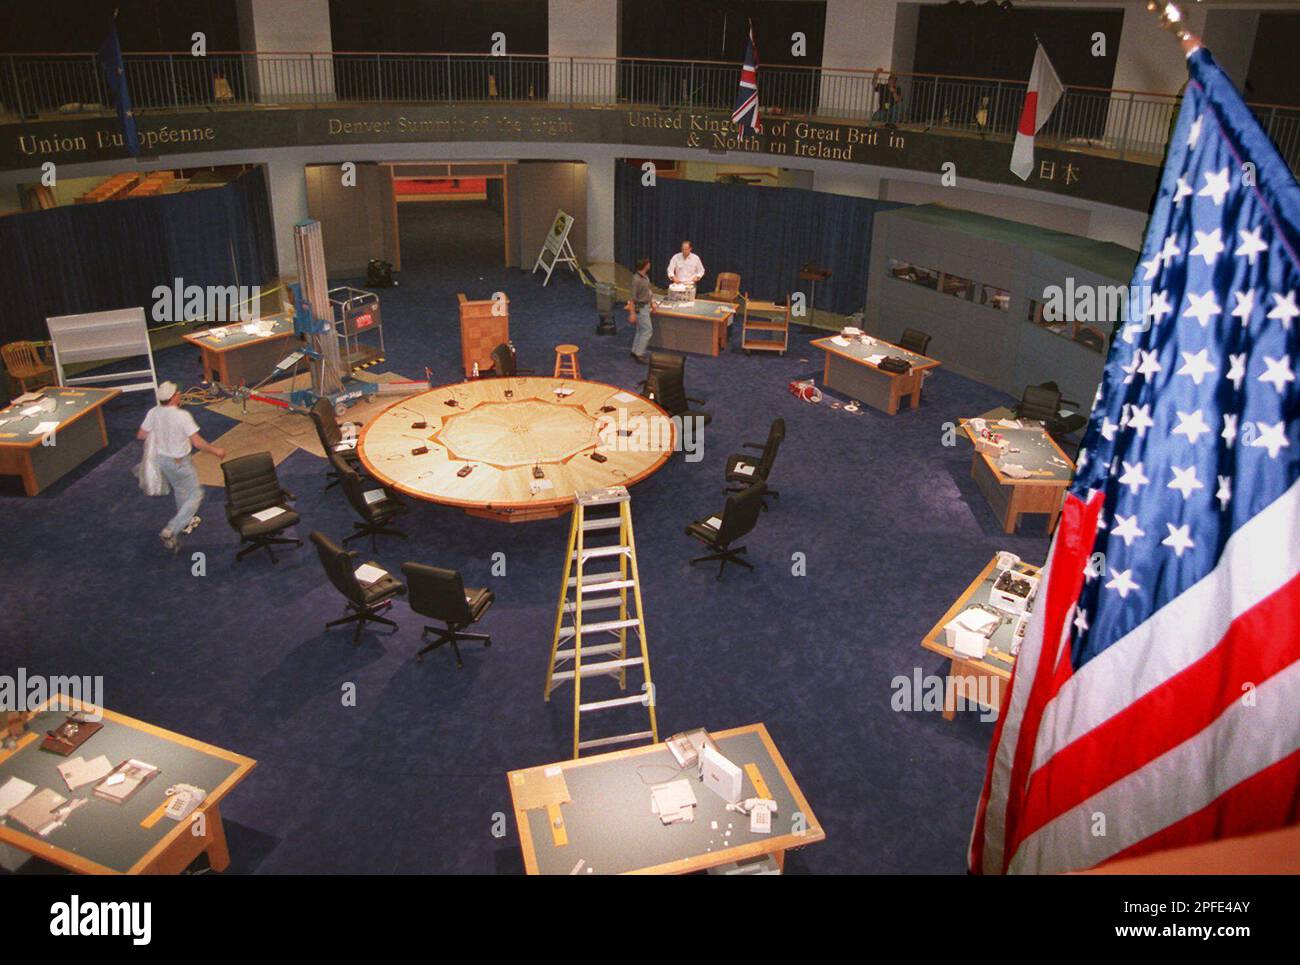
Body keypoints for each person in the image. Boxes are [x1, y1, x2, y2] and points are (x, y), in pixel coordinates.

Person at [137, 381, 226, 552]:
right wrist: (216, 451)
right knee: (196, 494)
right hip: (180, 461)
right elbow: (198, 443)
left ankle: (187, 521)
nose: (180, 394)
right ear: (173, 397)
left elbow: (142, 435)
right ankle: (172, 528)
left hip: (163, 461)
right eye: (177, 392)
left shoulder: (153, 412)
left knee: (180, 490)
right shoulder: (182, 416)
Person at [628, 257, 654, 363]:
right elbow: (632, 298)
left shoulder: (645, 277)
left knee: (640, 330)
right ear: (645, 265)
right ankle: (639, 353)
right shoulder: (636, 280)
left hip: (646, 306)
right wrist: (632, 313)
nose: (650, 264)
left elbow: (648, 291)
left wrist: (652, 303)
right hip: (641, 307)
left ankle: (635, 351)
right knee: (648, 330)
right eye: (648, 263)